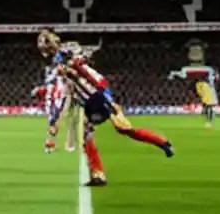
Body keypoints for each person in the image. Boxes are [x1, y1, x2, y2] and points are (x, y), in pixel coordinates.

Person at [37, 30, 174, 186]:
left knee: (124, 129)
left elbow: (94, 77)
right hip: (87, 103)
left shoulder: (72, 59)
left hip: (98, 97)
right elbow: (61, 92)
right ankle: (98, 175)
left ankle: (162, 142)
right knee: (85, 135)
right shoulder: (58, 67)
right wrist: (54, 120)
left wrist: (106, 96)